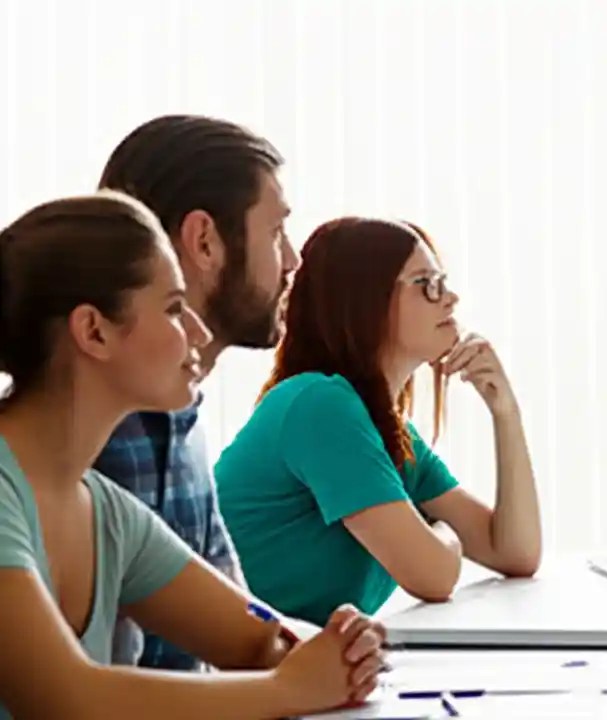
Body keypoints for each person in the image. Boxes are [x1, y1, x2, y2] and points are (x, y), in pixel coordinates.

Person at [0, 192, 383, 719]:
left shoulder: (107, 513)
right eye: (175, 309)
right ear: (94, 331)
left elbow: (256, 637)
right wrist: (291, 688)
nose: (199, 334)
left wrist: (337, 649)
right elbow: (64, 699)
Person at [215, 217, 542, 625]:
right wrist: (444, 532)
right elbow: (433, 575)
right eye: (426, 283)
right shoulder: (320, 405)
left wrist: (505, 413)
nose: (451, 298)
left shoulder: (388, 431)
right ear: (364, 302)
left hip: (281, 665)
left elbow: (516, 552)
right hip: (222, 671)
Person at [93, 114, 300, 670]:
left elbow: (244, 621)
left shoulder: (183, 420)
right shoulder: (89, 437)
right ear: (204, 241)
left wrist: (321, 651)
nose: (293, 261)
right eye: (277, 231)